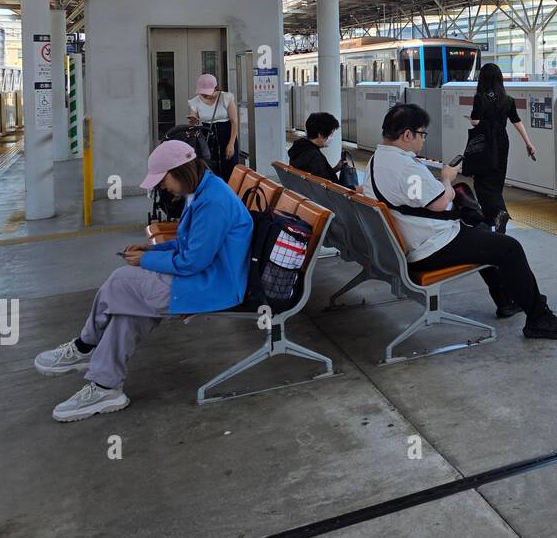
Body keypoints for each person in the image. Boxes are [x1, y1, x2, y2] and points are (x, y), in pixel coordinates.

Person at [32, 140, 253, 422]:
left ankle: (84, 345)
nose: (164, 188)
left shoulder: (213, 202)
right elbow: (188, 246)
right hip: (202, 277)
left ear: (181, 171)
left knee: (122, 280)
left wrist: (144, 261)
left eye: (165, 181)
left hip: (212, 286)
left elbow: (191, 262)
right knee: (129, 306)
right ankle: (105, 387)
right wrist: (151, 250)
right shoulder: (202, 191)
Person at [369, 102, 557, 339]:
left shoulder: (378, 160)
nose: (423, 140)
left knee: (483, 230)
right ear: (407, 134)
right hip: (429, 247)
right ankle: (538, 318)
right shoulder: (405, 166)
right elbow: (438, 203)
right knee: (510, 248)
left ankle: (508, 298)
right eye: (422, 134)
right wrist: (447, 178)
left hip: (408, 241)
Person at [466, 62, 536, 232]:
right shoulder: (508, 99)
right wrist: (528, 143)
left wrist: (473, 120)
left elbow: (475, 120)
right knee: (496, 182)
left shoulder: (480, 98)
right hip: (502, 142)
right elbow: (516, 120)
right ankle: (493, 218)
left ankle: (498, 213)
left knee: (482, 182)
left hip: (486, 143)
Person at [188, 73, 239, 181]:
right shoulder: (195, 101)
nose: (204, 95)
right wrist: (193, 121)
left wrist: (231, 143)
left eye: (207, 92)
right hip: (207, 141)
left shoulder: (226, 98)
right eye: (202, 92)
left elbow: (234, 122)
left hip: (227, 137)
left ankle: (229, 195)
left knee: (230, 170)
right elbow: (194, 121)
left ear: (215, 88)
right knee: (210, 169)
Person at [288, 111, 358, 188]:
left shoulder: (299, 149)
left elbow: (318, 176)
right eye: (331, 133)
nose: (332, 137)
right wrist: (355, 189)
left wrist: (335, 168)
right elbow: (330, 189)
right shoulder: (315, 157)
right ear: (320, 134)